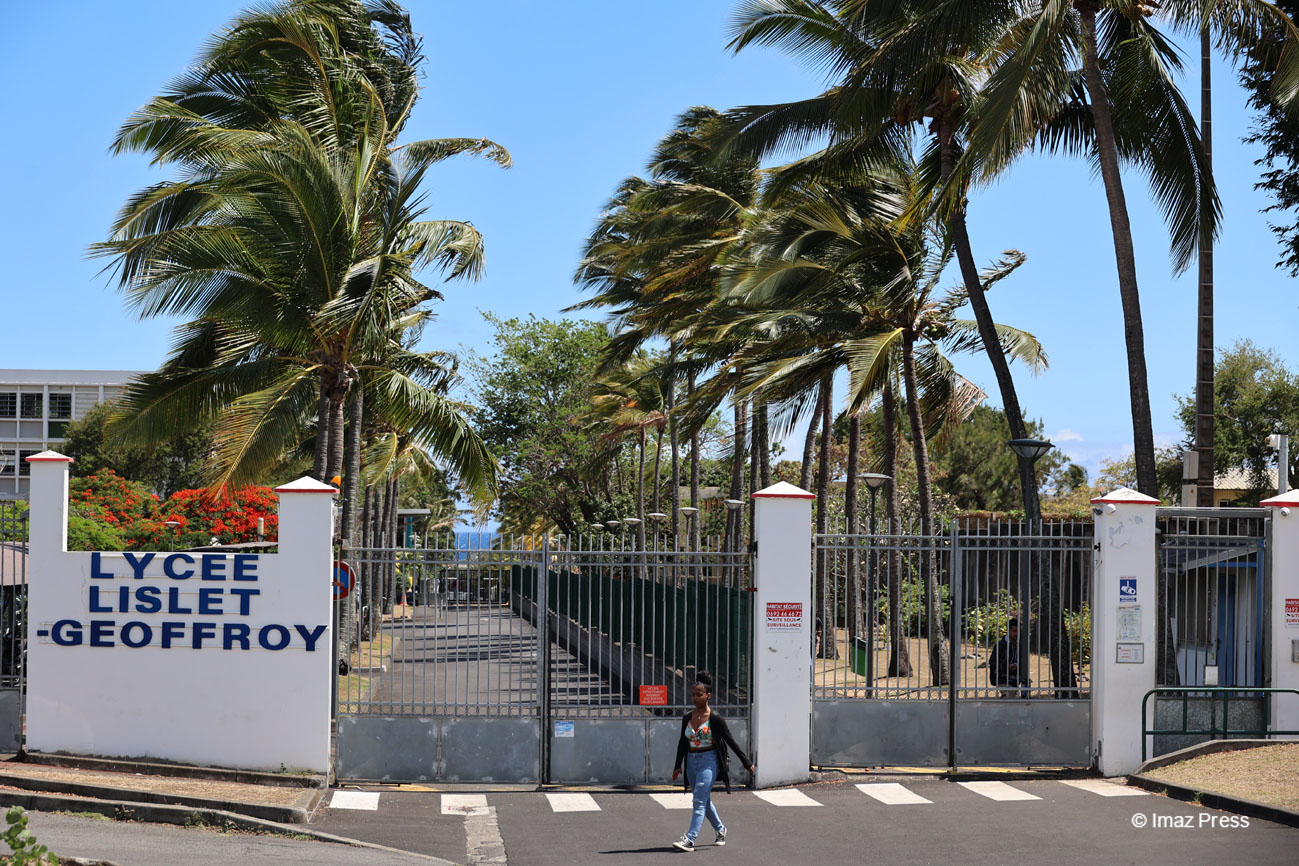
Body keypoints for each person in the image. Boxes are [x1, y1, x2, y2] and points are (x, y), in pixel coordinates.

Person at [671, 672, 755, 852]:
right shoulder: (687, 717)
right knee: (704, 799)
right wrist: (678, 765)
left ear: (708, 695)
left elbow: (731, 741)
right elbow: (682, 742)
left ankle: (690, 839)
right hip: (691, 762)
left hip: (709, 761)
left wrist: (747, 763)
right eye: (693, 694)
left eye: (699, 695)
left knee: (698, 801)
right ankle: (720, 829)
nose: (695, 698)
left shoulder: (715, 719)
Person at [988, 618, 1029, 698]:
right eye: (1014, 631)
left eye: (1018, 631)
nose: (1017, 634)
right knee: (1010, 697)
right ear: (1008, 631)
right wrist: (1006, 666)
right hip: (1002, 678)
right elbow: (993, 662)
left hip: (1015, 679)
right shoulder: (1001, 645)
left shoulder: (1021, 645)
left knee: (1014, 697)